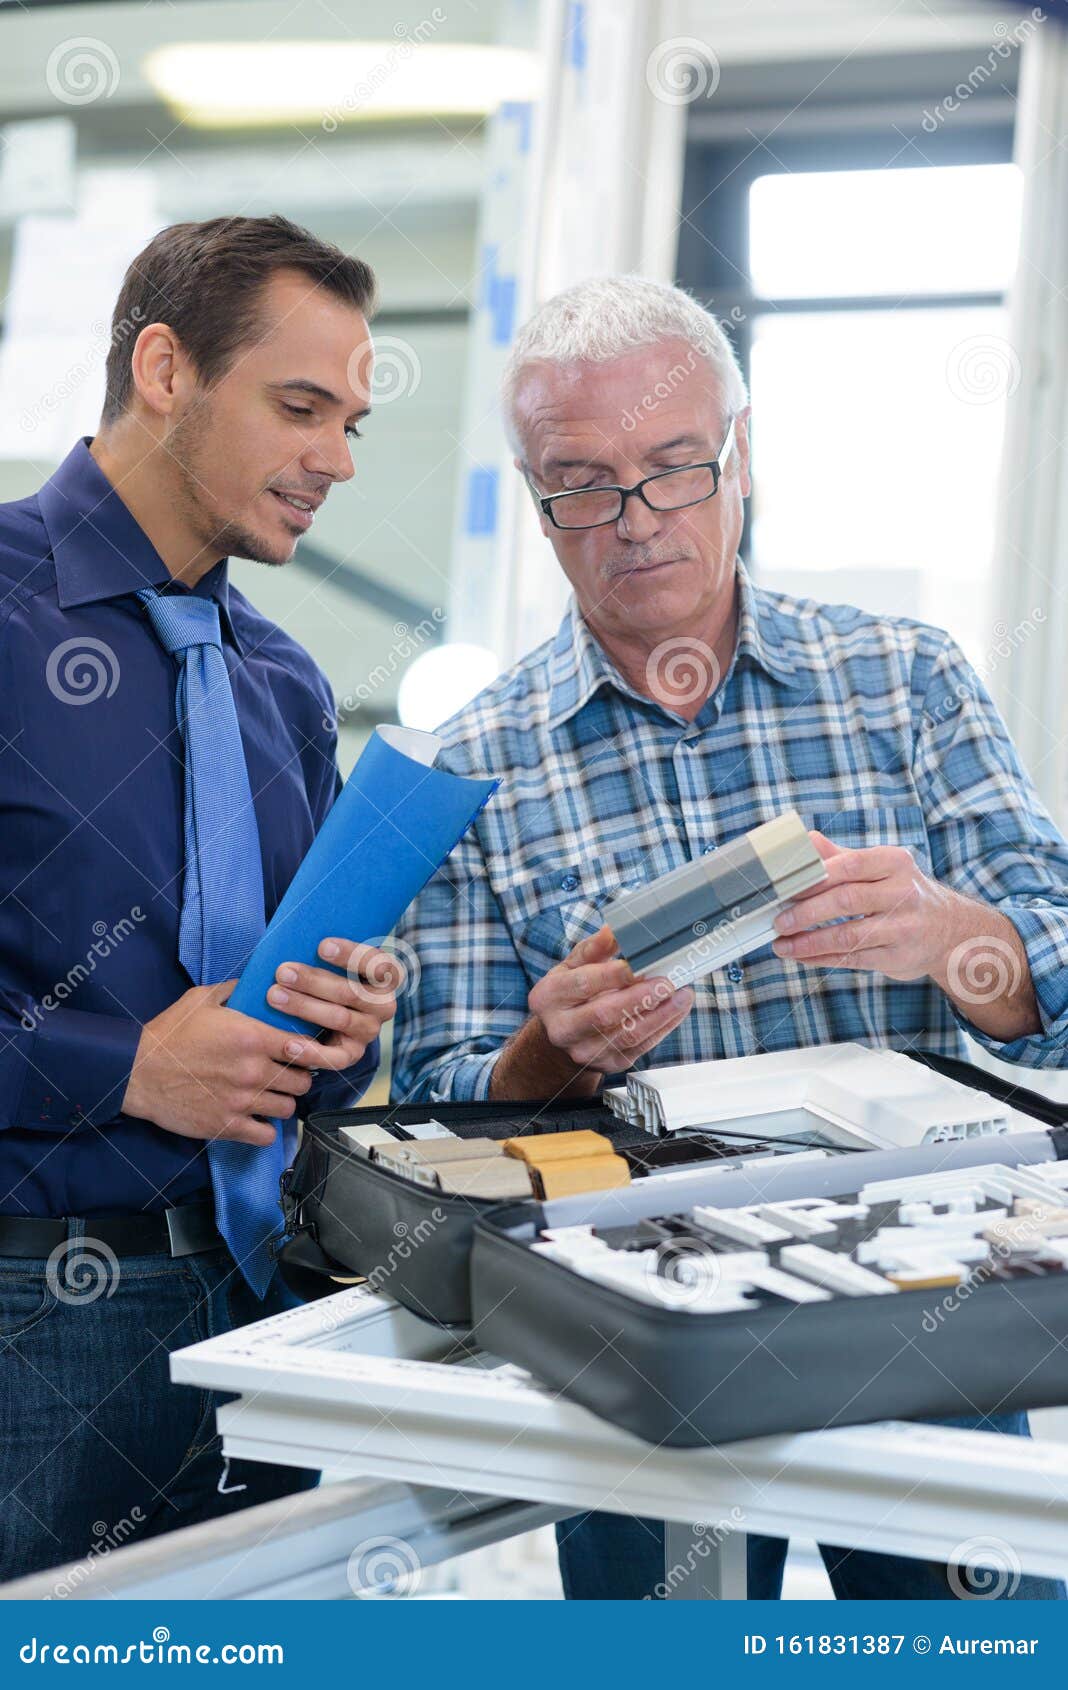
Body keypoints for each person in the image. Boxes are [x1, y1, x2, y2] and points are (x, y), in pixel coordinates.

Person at [391, 273, 1068, 1600]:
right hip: (637, 1334)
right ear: (537, 501)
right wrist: (546, 1052)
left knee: (970, 1655)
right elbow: (436, 1111)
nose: (636, 521)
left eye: (674, 468)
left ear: (742, 454)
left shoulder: (907, 681)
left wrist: (952, 937)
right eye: (583, 484)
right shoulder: (471, 768)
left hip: (922, 1298)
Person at [0, 215, 401, 1583]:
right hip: (36, 1311)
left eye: (350, 423)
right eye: (301, 408)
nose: (336, 461)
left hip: (263, 1304)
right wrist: (128, 1068)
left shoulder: (280, 683)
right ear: (165, 369)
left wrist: (344, 1027)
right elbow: (158, 1061)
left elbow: (295, 1053)